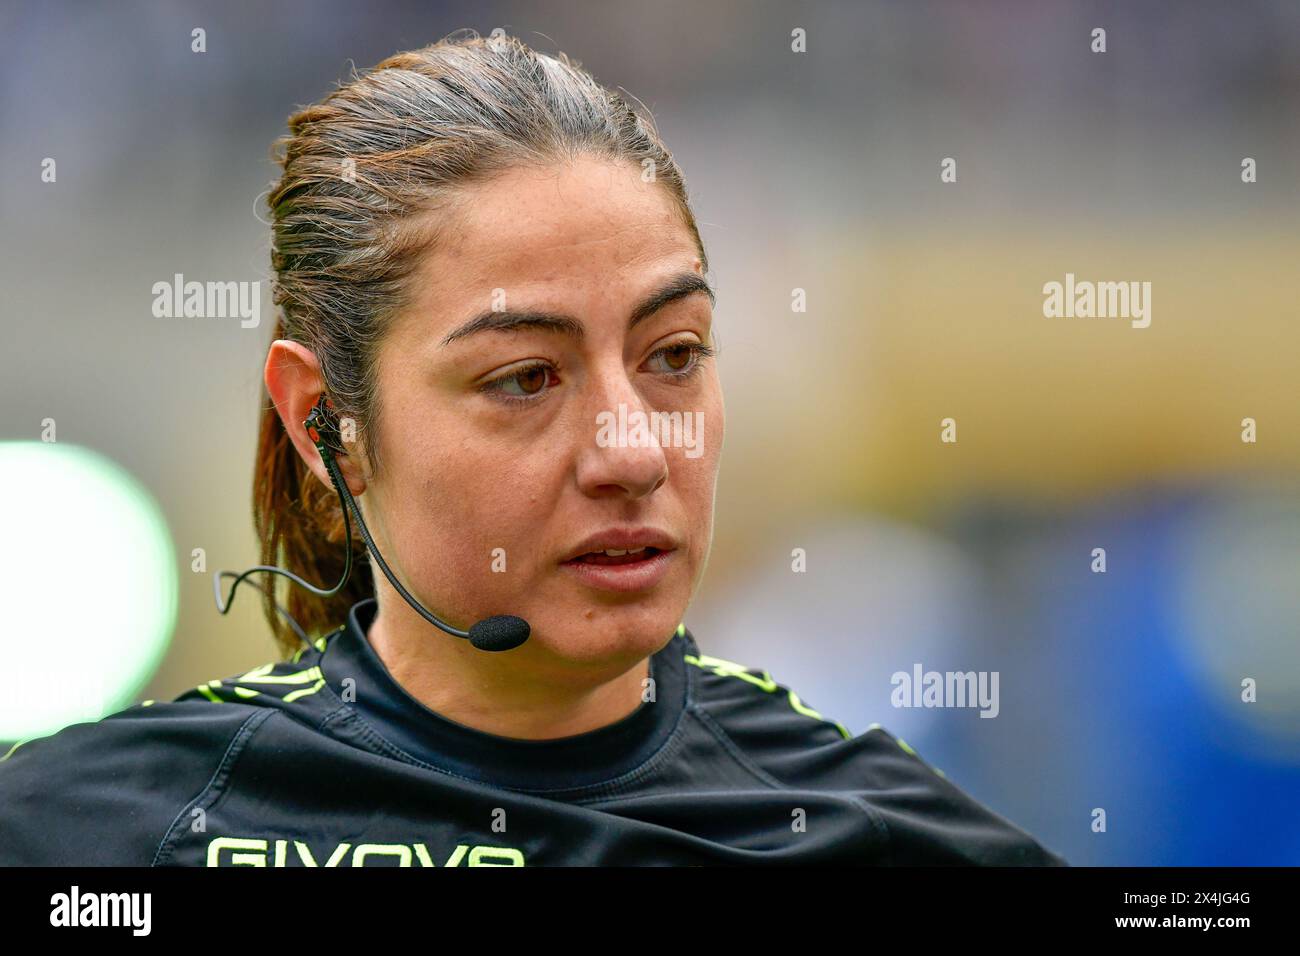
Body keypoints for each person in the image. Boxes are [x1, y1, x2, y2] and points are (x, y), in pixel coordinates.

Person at [0, 31, 1066, 866]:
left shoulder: (888, 838)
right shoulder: (85, 832)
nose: (632, 451)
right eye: (524, 378)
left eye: (673, 353)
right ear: (321, 424)